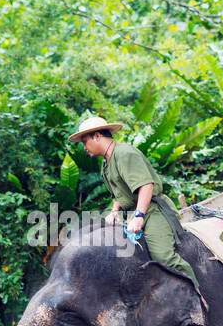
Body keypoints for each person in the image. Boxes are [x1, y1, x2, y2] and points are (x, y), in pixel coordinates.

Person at [67, 114, 207, 311]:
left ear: (97, 136)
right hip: (132, 212)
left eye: (85, 141)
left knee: (163, 256)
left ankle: (198, 297)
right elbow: (119, 192)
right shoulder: (106, 163)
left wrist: (139, 216)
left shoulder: (124, 154)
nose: (84, 147)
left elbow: (145, 185)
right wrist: (115, 210)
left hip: (152, 210)